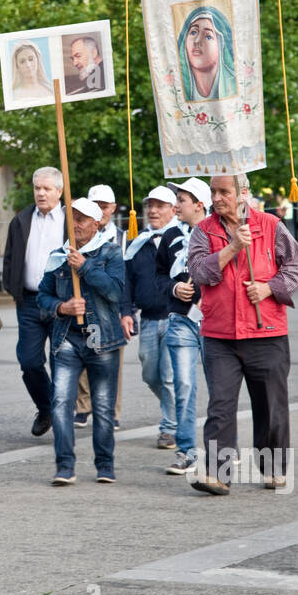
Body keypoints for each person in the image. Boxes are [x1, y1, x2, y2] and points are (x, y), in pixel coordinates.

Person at [187, 173, 298, 494]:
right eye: (213, 192)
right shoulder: (203, 230)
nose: (216, 198)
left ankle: (274, 469)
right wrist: (232, 247)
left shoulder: (270, 225)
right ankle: (218, 474)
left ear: (243, 193)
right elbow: (199, 272)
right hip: (219, 335)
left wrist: (270, 288)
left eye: (223, 192)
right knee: (220, 407)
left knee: (271, 406)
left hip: (266, 332)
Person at [38, 198, 126, 485]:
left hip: (102, 340)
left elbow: (115, 293)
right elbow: (42, 297)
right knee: (61, 401)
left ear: (96, 223)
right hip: (66, 339)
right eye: (72, 218)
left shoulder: (111, 252)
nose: (75, 224)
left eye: (82, 219)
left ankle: (105, 465)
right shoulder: (58, 255)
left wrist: (86, 267)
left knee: (102, 405)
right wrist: (61, 308)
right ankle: (65, 465)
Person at [2, 167, 67, 437]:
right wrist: (12, 287)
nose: (40, 193)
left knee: (62, 361)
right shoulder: (21, 220)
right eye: (37, 188)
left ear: (59, 191)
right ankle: (47, 407)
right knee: (29, 361)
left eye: (46, 188)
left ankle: (63, 417)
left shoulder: (71, 220)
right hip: (28, 301)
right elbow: (10, 257)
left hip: (61, 303)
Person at [158, 177, 211, 475]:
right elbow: (158, 276)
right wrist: (173, 289)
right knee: (184, 386)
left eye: (182, 199)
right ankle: (187, 450)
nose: (175, 204)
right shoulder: (169, 237)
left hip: (213, 321)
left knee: (220, 387)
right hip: (180, 321)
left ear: (199, 205)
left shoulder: (220, 235)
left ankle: (223, 446)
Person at [121, 186, 177, 447]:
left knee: (167, 375)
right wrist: (126, 311)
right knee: (150, 375)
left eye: (160, 205)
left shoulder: (182, 238)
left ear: (173, 210)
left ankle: (170, 427)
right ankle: (177, 410)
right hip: (148, 318)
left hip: (177, 317)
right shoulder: (138, 240)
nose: (153, 211)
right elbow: (127, 280)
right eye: (150, 205)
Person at [79, 184, 130, 428]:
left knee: (111, 360)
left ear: (113, 208)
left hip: (112, 306)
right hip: (85, 303)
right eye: (95, 206)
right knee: (82, 352)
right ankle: (83, 405)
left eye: (104, 206)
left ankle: (112, 410)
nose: (100, 210)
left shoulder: (123, 237)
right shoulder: (77, 234)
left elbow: (127, 278)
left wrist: (126, 311)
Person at [177, 6, 237, 102]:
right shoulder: (175, 88)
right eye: (193, 32)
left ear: (221, 45)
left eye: (208, 37)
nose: (197, 41)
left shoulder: (237, 85)